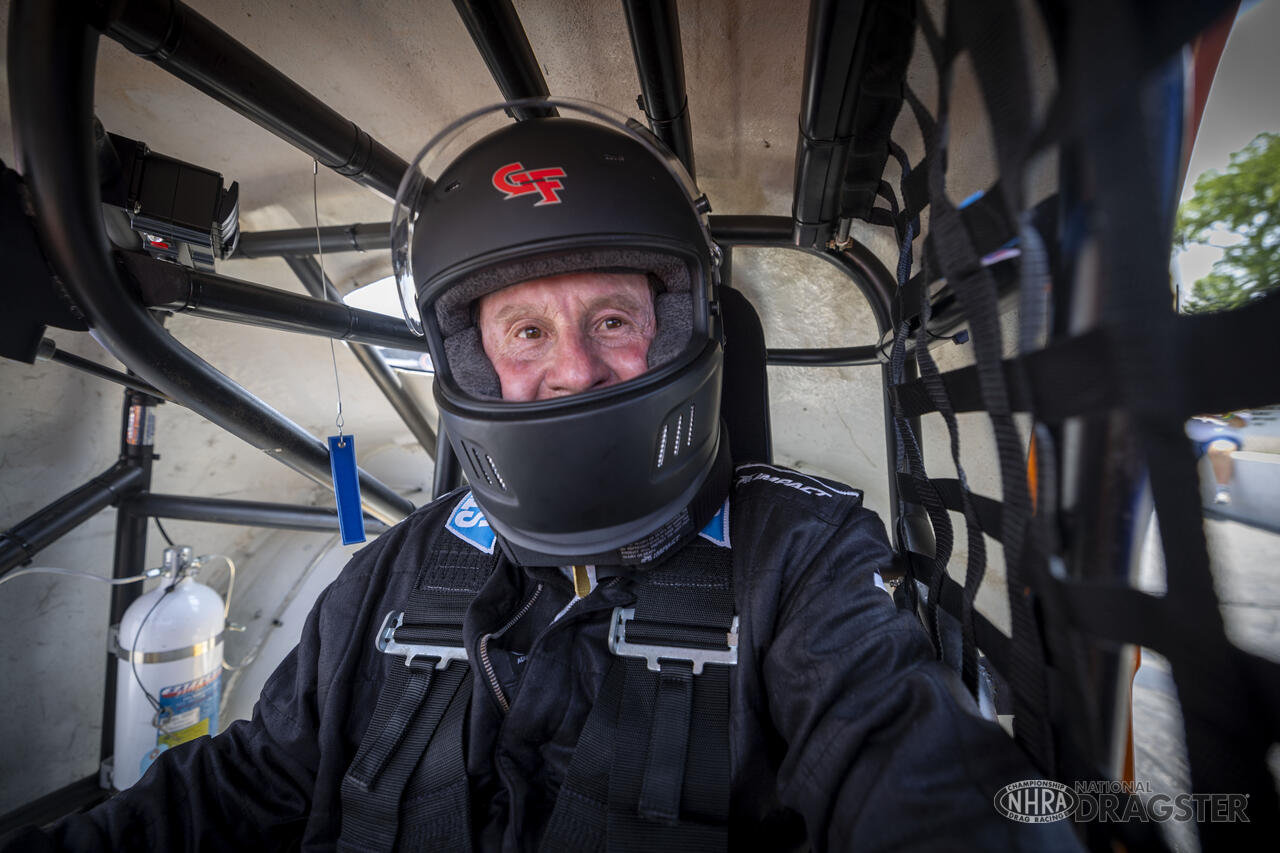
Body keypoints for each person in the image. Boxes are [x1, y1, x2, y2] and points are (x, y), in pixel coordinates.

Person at [4, 111, 1080, 851]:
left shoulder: (798, 556)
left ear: (680, 332)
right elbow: (249, 785)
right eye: (525, 330)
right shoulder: (399, 568)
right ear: (469, 360)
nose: (572, 369)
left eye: (612, 318)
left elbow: (906, 763)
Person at [1185, 413, 1250, 504]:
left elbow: (1240, 423)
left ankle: (1222, 491)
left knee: (1220, 449)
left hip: (1222, 436)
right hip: (1187, 436)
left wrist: (1223, 414)